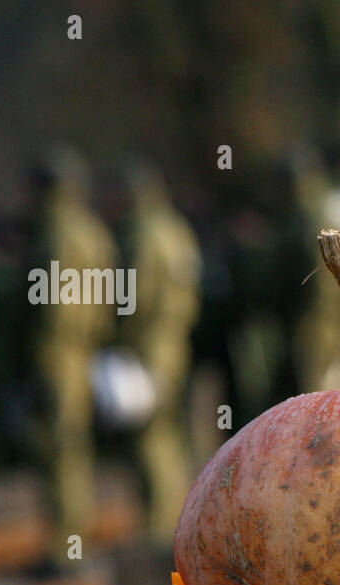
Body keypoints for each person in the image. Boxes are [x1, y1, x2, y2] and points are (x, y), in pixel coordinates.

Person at [30, 145, 116, 568]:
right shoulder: (93, 231)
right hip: (86, 349)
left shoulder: (55, 232)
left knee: (61, 449)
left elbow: (52, 305)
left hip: (59, 351)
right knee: (76, 448)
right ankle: (75, 541)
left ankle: (65, 548)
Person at [118, 160, 202, 544]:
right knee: (168, 431)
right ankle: (175, 518)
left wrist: (124, 338)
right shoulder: (176, 229)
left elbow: (137, 296)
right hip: (174, 341)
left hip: (149, 345)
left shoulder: (142, 234)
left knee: (151, 436)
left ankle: (159, 526)